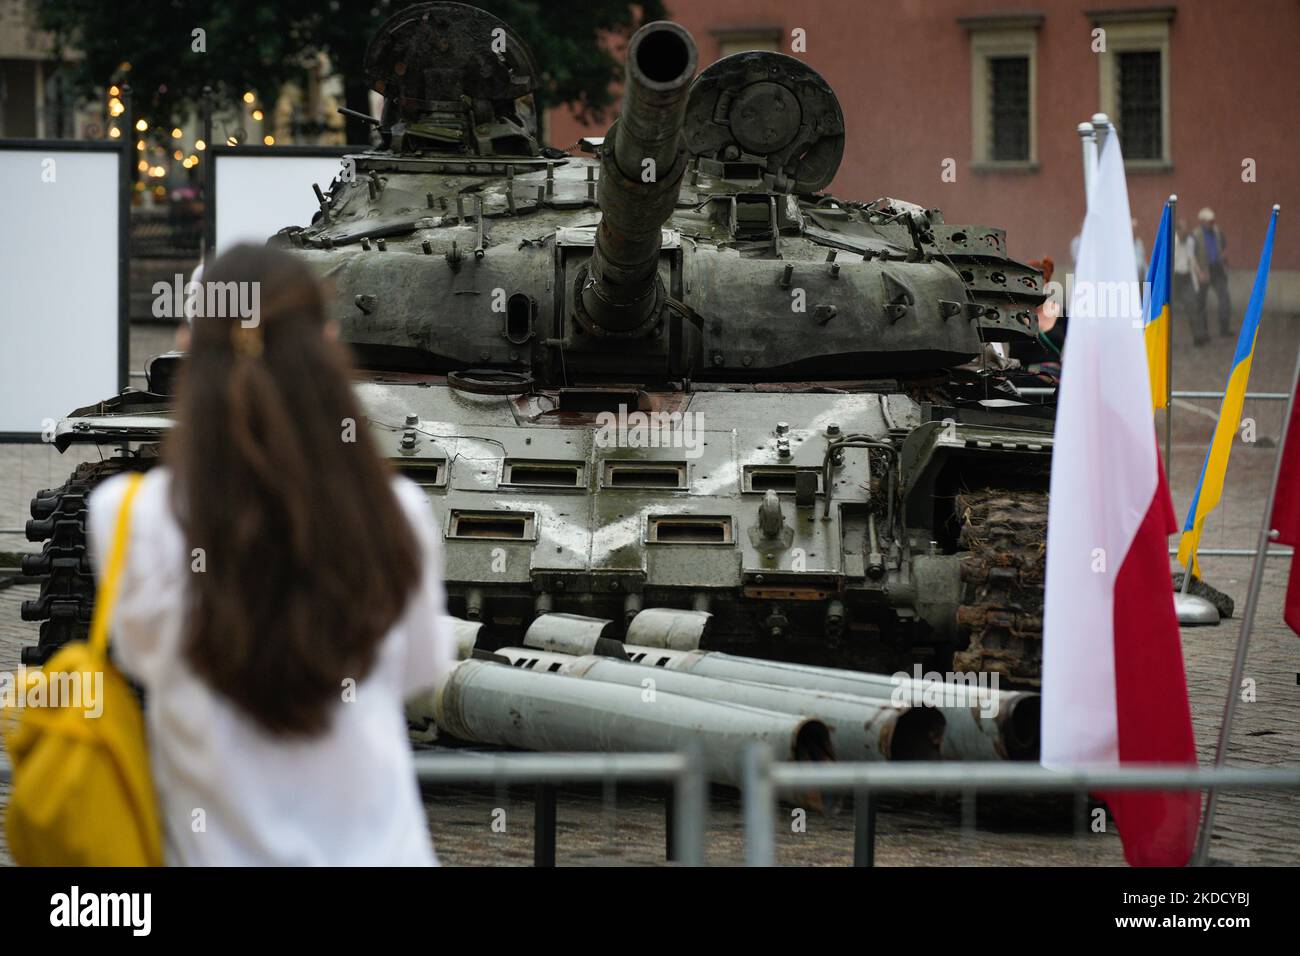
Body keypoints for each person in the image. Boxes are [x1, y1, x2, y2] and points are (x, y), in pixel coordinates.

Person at [87, 245, 454, 865]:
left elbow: (141, 656)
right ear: (328, 342)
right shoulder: (399, 514)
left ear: (191, 348)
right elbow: (419, 674)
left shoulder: (131, 518)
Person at [1192, 207, 1233, 337]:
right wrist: (1198, 272)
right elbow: (1192, 256)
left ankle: (1224, 329)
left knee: (1224, 298)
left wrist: (1224, 261)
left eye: (1212, 221)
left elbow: (1223, 247)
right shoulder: (1196, 234)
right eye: (1209, 221)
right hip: (1204, 270)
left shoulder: (1217, 232)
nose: (1212, 223)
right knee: (1201, 303)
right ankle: (1203, 332)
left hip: (1217, 268)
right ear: (1202, 221)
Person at [1173, 218, 1207, 346]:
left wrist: (1199, 273)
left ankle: (1198, 337)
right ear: (1178, 230)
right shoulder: (1173, 241)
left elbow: (1192, 259)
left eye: (1187, 229)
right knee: (1166, 309)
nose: (1186, 232)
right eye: (1183, 229)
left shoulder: (1190, 241)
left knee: (1193, 306)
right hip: (1174, 278)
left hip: (1186, 277)